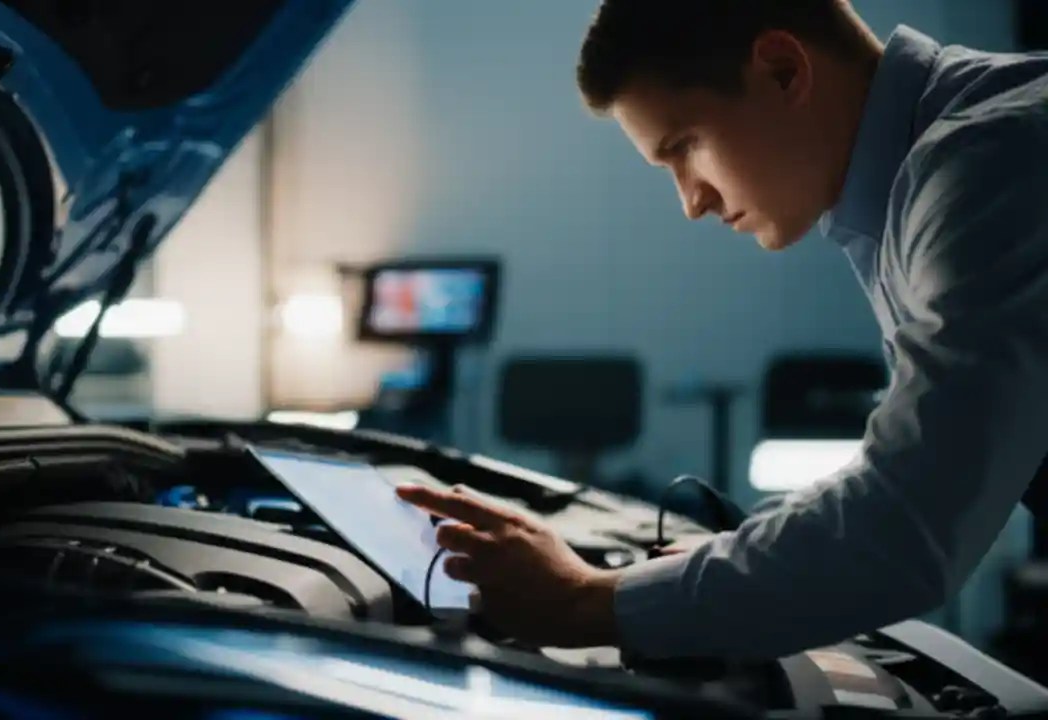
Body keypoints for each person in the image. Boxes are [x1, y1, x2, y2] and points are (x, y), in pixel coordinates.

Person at [396, 0, 1048, 660]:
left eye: (685, 147)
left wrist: (584, 600)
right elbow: (908, 463)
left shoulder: (989, 166)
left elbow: (907, 523)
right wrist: (711, 571)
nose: (692, 201)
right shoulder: (933, 172)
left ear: (784, 71)